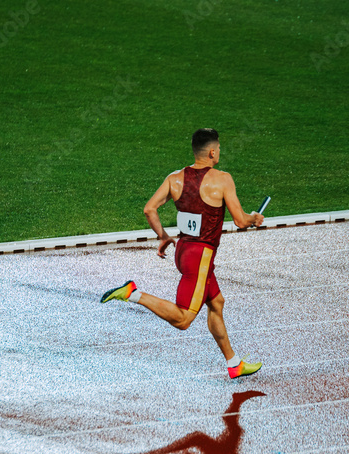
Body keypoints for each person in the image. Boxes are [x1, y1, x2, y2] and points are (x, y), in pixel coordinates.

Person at [101, 128, 265, 378]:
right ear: (212, 152)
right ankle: (133, 293)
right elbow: (241, 221)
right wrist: (255, 218)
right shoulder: (222, 179)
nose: (219, 152)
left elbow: (149, 209)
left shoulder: (174, 178)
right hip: (200, 257)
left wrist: (163, 237)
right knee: (184, 319)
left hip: (184, 252)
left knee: (216, 303)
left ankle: (234, 364)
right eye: (218, 148)